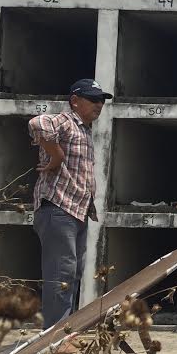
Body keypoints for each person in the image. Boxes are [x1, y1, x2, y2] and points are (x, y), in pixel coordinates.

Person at [27, 79, 112, 335]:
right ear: (75, 100)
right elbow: (36, 123)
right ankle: (54, 337)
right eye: (93, 99)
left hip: (77, 211)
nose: (99, 105)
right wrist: (57, 155)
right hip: (58, 208)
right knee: (60, 275)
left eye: (102, 100)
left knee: (70, 274)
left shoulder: (85, 130)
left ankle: (65, 332)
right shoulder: (66, 121)